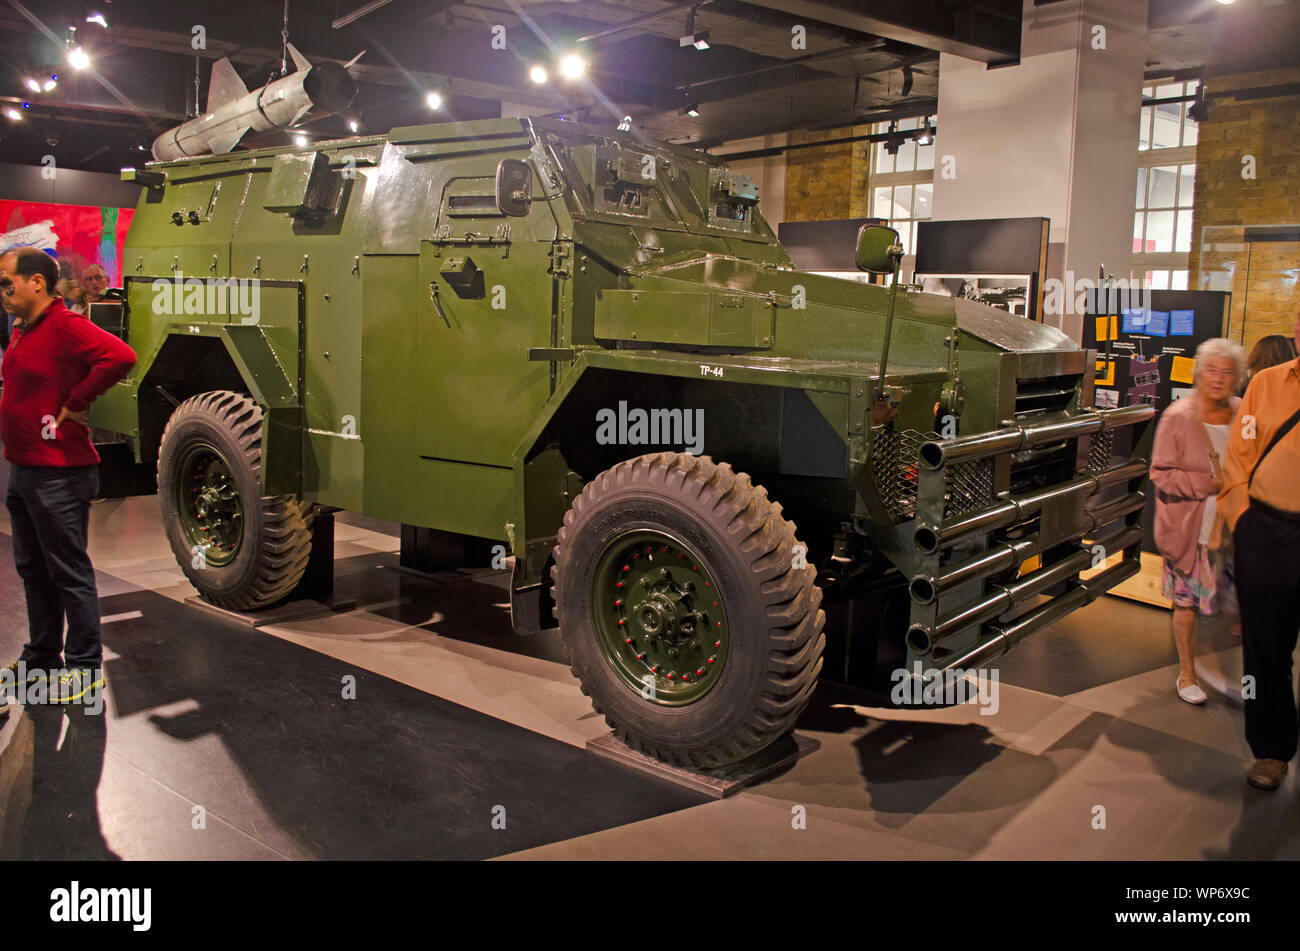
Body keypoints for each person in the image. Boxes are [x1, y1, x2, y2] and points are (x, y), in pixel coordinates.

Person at [0, 247, 136, 705]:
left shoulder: (65, 325)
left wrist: (77, 403)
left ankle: (84, 668)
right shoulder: (26, 328)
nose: (3, 291)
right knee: (34, 571)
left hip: (59, 474)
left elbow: (120, 356)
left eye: (7, 281)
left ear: (36, 282)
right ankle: (40, 660)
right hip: (24, 470)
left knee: (68, 571)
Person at [1220, 311, 1300, 791]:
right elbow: (1238, 458)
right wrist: (1243, 520)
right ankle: (1271, 750)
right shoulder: (1266, 384)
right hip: (1267, 530)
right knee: (1266, 648)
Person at [1150, 338, 1246, 706]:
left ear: (1236, 378)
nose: (1219, 379)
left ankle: (1236, 677)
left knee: (1238, 608)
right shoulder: (1178, 416)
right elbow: (1160, 474)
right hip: (1191, 534)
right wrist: (1211, 484)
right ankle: (1187, 673)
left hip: (1236, 532)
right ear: (1198, 373)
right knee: (1186, 605)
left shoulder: (1243, 413)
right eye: (1212, 370)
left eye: (1227, 372)